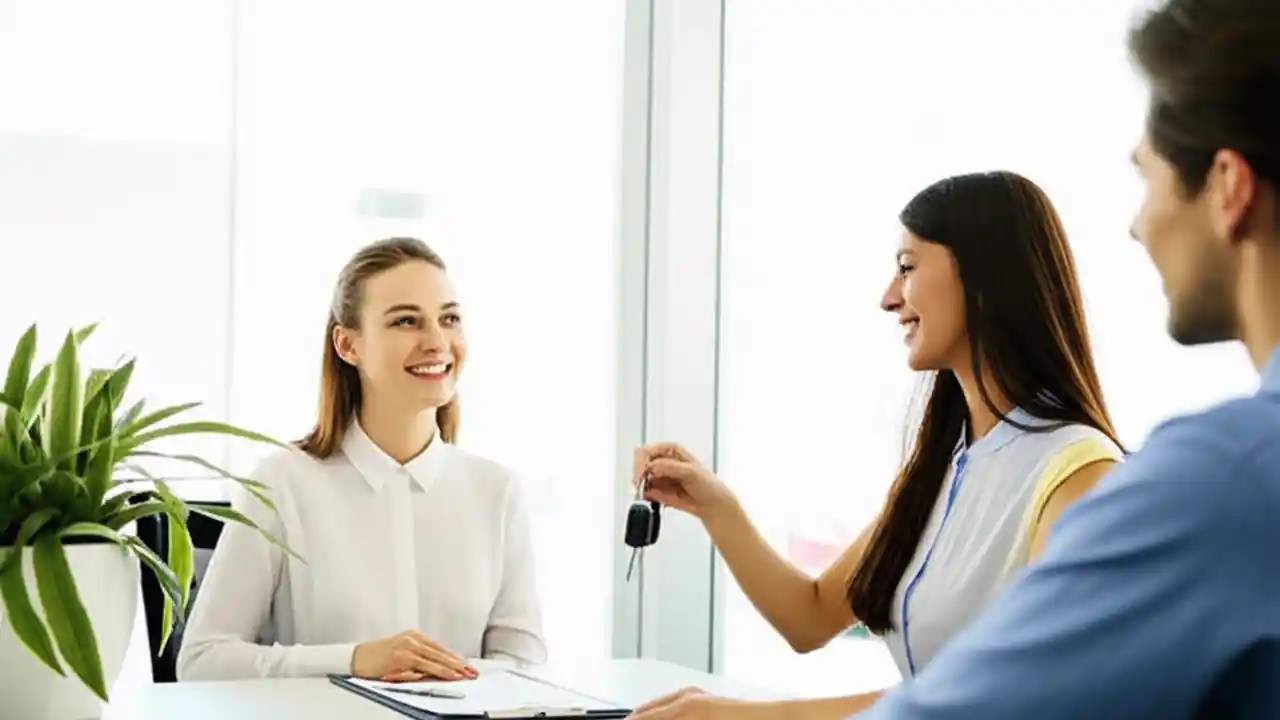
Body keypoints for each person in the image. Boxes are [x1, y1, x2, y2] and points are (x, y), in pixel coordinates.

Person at [851, 1, 1280, 717]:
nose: (1139, 226)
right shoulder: (951, 465)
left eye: (1148, 179)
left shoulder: (1221, 484)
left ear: (1230, 188)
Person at [630, 171, 1125, 720]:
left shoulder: (1079, 473)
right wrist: (714, 506)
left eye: (907, 268)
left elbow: (1027, 693)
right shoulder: (945, 466)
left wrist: (742, 717)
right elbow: (811, 616)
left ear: (984, 276)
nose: (889, 298)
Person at [178, 237, 546, 681]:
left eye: (449, 318)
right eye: (406, 321)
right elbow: (202, 661)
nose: (437, 341)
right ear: (348, 345)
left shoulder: (497, 491)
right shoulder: (282, 484)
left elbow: (525, 667)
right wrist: (353, 661)